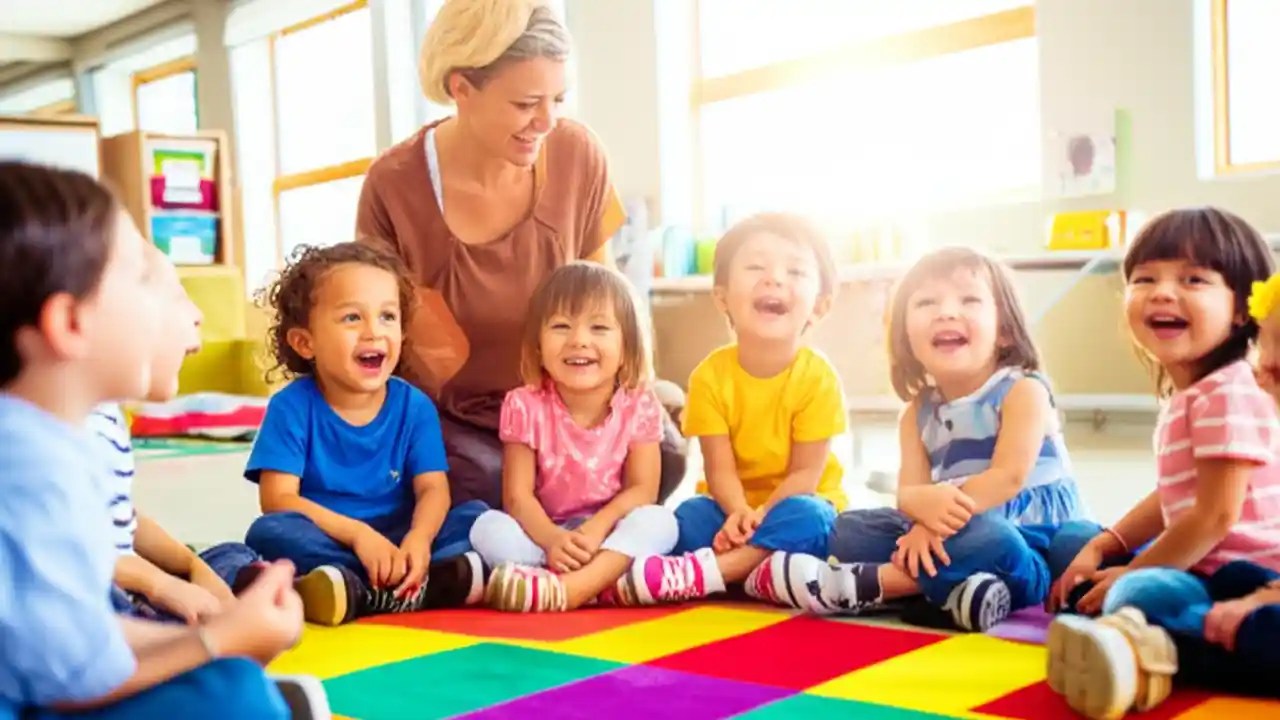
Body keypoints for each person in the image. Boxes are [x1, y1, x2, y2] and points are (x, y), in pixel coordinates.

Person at [0, 161, 311, 719]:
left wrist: (220, 639)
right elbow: (73, 681)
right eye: (144, 277)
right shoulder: (31, 465)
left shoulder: (40, 443)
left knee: (226, 676)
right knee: (236, 695)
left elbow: (81, 634)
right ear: (70, 323)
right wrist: (220, 645)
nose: (179, 310)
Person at [354, 0, 686, 513]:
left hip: (569, 402)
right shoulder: (395, 184)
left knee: (666, 454)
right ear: (461, 87)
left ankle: (566, 509)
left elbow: (609, 295)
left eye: (559, 98)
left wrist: (635, 390)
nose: (547, 120)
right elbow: (369, 330)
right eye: (527, 102)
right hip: (462, 417)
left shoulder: (578, 154)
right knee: (486, 483)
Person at [753, 247, 1088, 632]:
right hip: (946, 530)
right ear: (905, 335)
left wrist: (934, 526)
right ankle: (964, 594)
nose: (946, 312)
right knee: (850, 531)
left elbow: (1007, 478)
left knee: (992, 539)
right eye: (927, 302)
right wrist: (920, 514)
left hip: (1027, 542)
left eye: (969, 300)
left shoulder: (1023, 391)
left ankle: (868, 586)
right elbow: (909, 493)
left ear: (1005, 331)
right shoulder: (916, 413)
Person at [1043, 208, 1280, 719]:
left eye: (1193, 279)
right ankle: (1135, 630)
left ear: (1242, 310)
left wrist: (1129, 570)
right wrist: (1106, 545)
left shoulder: (1229, 390)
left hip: (1252, 578)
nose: (1162, 292)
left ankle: (1153, 650)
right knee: (1079, 549)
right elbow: (1175, 499)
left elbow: (1214, 515)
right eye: (1143, 278)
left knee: (1136, 589)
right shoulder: (1193, 394)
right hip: (1205, 562)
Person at [234, 242, 489, 627]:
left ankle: (377, 586)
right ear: (306, 343)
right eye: (352, 318)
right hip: (331, 539)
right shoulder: (291, 407)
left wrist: (418, 540)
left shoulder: (415, 406)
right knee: (269, 533)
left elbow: (433, 489)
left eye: (388, 316)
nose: (373, 331)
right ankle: (394, 585)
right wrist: (357, 536)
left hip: (401, 538)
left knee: (477, 517)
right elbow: (277, 499)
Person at [615, 213, 846, 605]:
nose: (774, 278)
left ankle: (715, 572)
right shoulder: (709, 377)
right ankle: (760, 572)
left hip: (792, 508)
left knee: (814, 518)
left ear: (819, 306)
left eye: (795, 271)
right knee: (687, 518)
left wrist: (761, 517)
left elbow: (806, 474)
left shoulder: (818, 377)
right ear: (722, 297)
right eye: (756, 266)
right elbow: (718, 469)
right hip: (729, 510)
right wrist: (739, 512)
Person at [472, 262, 678, 611]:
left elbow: (643, 490)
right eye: (561, 326)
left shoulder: (640, 403)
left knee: (662, 521)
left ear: (627, 346)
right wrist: (553, 540)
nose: (579, 340)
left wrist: (596, 530)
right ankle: (604, 585)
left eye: (599, 327)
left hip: (610, 533)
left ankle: (571, 588)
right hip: (544, 536)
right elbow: (517, 497)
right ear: (538, 345)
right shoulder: (523, 404)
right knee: (485, 526)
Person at [91, 245, 260, 624]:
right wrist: (162, 585)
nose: (198, 315)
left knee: (230, 555)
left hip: (127, 583)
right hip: (92, 597)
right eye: (178, 298)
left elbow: (123, 521)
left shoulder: (104, 417)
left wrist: (192, 568)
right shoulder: (65, 431)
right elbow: (73, 549)